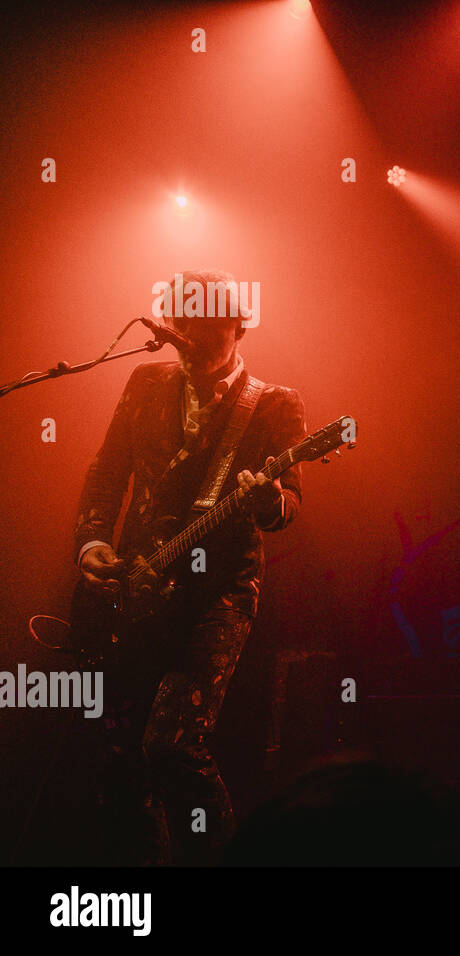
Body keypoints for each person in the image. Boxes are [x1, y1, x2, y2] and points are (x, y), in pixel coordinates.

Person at [74, 269, 307, 864]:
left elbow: (289, 507)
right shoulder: (144, 381)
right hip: (139, 584)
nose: (196, 339)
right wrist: (94, 541)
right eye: (186, 326)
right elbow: (107, 471)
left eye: (210, 327)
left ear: (239, 325)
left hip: (218, 594)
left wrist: (268, 502)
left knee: (173, 745)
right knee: (121, 756)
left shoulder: (274, 404)